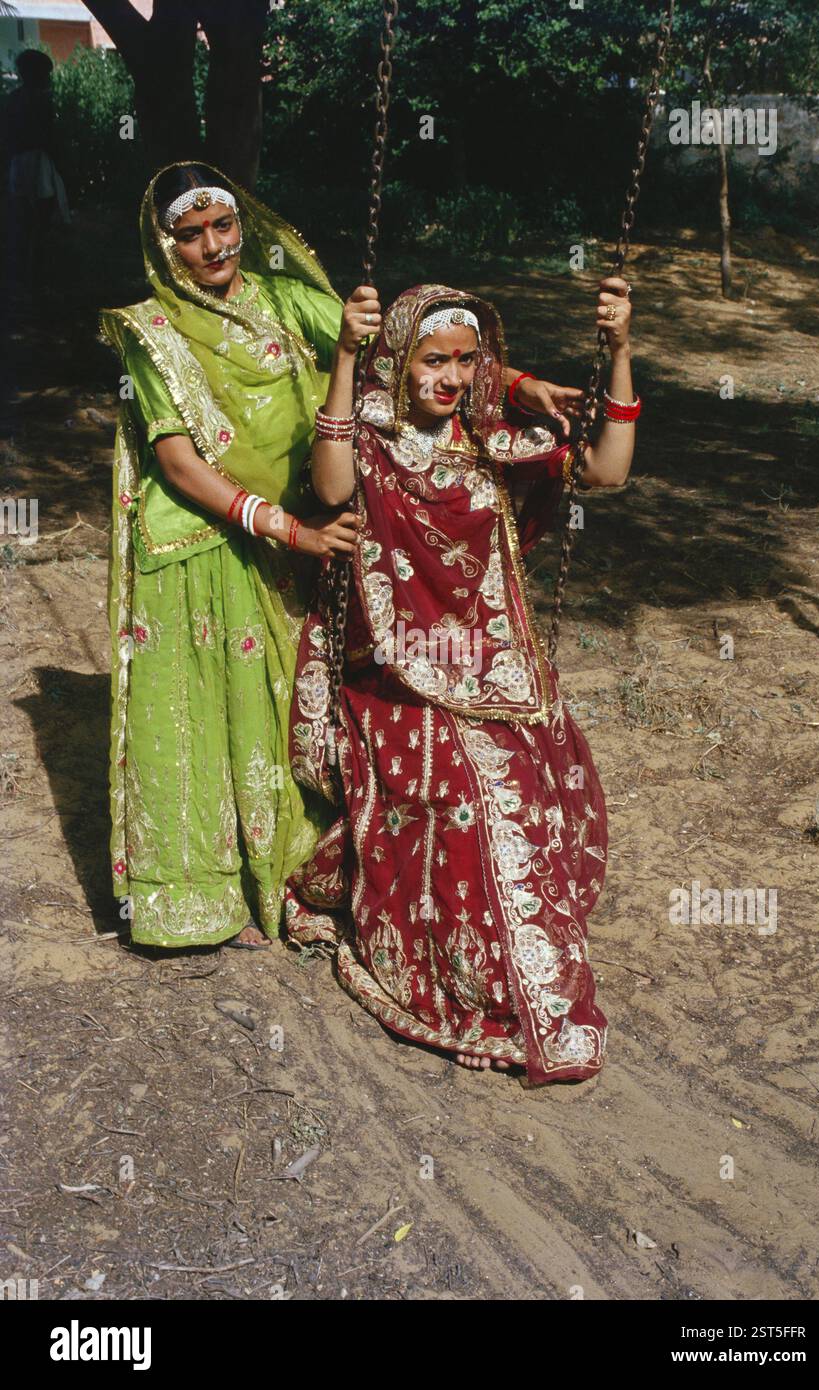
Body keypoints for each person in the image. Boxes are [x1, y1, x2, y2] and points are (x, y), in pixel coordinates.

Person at [285, 277, 638, 1085]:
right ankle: (491, 982)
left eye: (464, 361)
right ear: (398, 363)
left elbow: (608, 471)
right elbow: (334, 488)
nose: (448, 377)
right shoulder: (371, 439)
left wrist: (620, 351)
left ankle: (525, 970)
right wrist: (345, 355)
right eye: (431, 361)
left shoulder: (491, 439)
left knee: (541, 787)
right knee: (470, 801)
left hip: (497, 672)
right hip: (398, 680)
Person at [99, 160, 363, 950]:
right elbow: (180, 465)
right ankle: (200, 901)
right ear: (163, 245)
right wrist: (293, 531)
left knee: (275, 712)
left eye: (223, 226)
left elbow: (388, 348)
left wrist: (517, 385)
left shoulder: (281, 297)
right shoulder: (150, 329)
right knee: (200, 716)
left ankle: (278, 878)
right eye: (190, 234)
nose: (213, 246)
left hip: (287, 529)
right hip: (196, 538)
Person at [1, 49, 70, 296]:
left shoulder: (13, 99)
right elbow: (49, 137)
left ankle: (24, 276)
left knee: (24, 221)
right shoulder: (40, 101)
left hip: (18, 164)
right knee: (40, 222)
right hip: (37, 163)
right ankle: (37, 277)